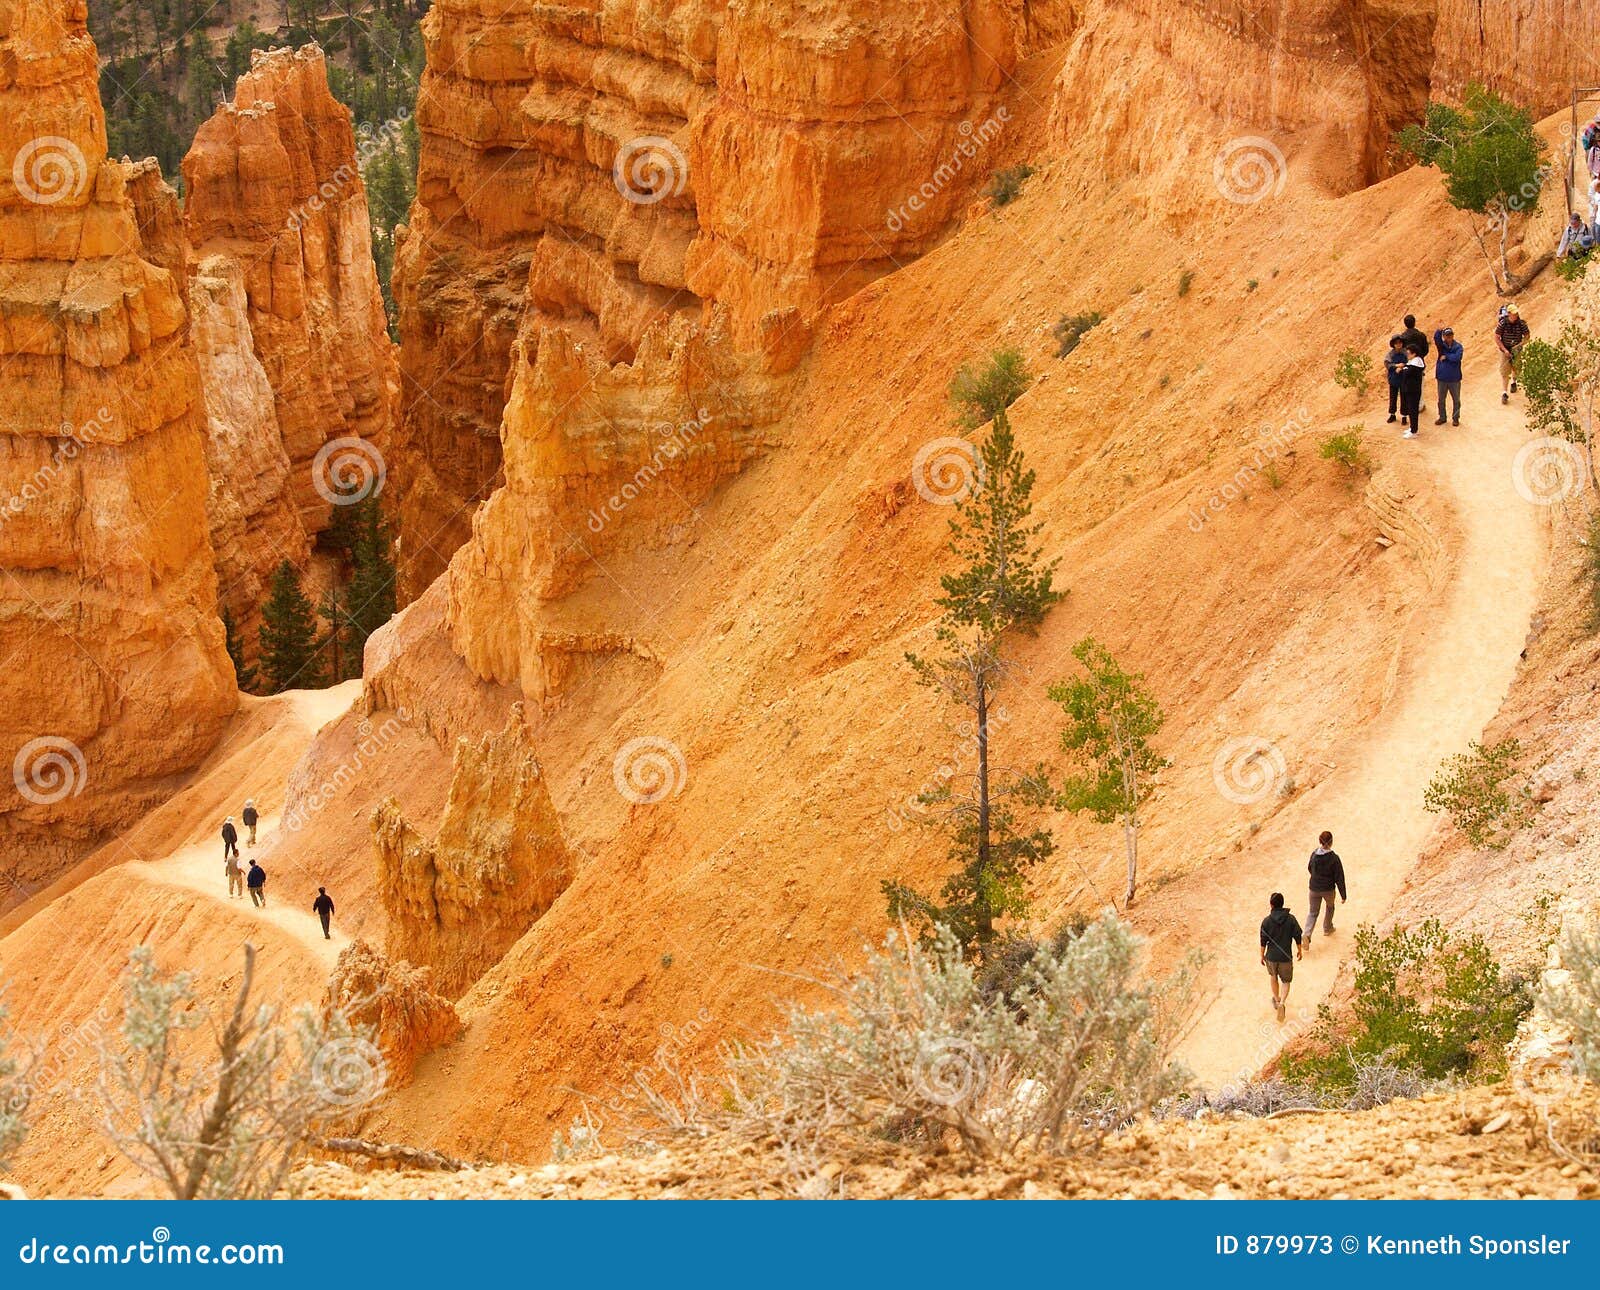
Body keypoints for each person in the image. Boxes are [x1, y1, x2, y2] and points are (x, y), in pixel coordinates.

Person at [1260, 892, 1303, 1022]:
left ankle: (1276, 999)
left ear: (1271, 904)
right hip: (1285, 956)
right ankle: (1282, 1003)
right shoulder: (1291, 919)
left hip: (1271, 957)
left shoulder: (1266, 921)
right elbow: (1297, 935)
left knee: (1273, 977)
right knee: (1286, 981)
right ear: (1282, 903)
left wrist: (1262, 955)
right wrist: (1299, 950)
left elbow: (1263, 940)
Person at [1304, 831, 1346, 950]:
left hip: (1314, 888)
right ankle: (1327, 928)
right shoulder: (1334, 858)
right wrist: (1343, 895)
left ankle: (1307, 934)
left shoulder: (1314, 854)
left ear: (1320, 841)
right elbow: (1339, 877)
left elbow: (1309, 868)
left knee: (1312, 913)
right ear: (1331, 842)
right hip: (1328, 889)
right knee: (1330, 906)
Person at [1495, 303, 1530, 404]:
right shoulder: (1503, 324)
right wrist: (1504, 350)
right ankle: (1504, 392)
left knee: (1516, 368)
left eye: (1516, 313)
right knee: (1504, 371)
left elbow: (1527, 336)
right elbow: (1497, 337)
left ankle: (1514, 382)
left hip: (1517, 349)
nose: (1516, 315)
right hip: (1504, 349)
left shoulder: (1522, 324)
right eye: (1514, 313)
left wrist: (1519, 345)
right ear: (1509, 314)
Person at [1398, 315, 1429, 415]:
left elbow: (1402, 351)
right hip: (1420, 363)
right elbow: (1426, 350)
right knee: (1420, 383)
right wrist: (1419, 356)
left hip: (1408, 364)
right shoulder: (1421, 335)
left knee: (1407, 384)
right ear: (1414, 322)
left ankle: (1407, 406)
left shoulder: (1403, 337)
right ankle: (1419, 406)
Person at [1433, 325, 1463, 426]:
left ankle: (1455, 418)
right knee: (1441, 399)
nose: (1449, 337)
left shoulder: (1458, 346)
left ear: (1453, 335)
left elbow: (1457, 357)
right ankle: (1442, 417)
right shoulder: (1442, 346)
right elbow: (1436, 338)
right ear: (1444, 337)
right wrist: (1439, 330)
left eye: (1450, 335)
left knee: (1456, 400)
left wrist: (1446, 356)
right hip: (1442, 378)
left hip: (1454, 378)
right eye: (1446, 335)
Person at [1397, 341, 1425, 439]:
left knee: (1413, 410)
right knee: (1411, 409)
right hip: (1410, 390)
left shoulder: (1415, 364)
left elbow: (1407, 373)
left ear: (1414, 354)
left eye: (1409, 353)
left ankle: (1414, 431)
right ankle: (1412, 427)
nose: (1407, 355)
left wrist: (1403, 369)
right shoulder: (1412, 363)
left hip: (1413, 391)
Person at [1384, 335, 1407, 423]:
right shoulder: (1390, 354)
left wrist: (1402, 367)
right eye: (1396, 343)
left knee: (1404, 398)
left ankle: (1404, 416)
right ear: (1393, 344)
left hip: (1404, 378)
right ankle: (1392, 414)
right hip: (1393, 378)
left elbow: (1410, 362)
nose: (1398, 345)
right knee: (1393, 397)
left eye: (1400, 343)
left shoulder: (1406, 352)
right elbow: (1387, 364)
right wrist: (1396, 366)